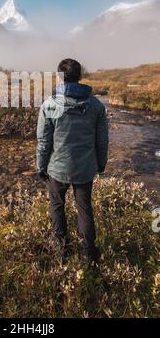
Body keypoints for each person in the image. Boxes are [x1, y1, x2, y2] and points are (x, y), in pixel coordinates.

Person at [36, 58, 108, 263]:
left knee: (57, 205)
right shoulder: (95, 105)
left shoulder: (48, 105)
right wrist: (101, 163)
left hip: (57, 169)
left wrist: (41, 166)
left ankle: (61, 247)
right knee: (84, 207)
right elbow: (102, 140)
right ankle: (88, 252)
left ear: (60, 78)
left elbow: (43, 142)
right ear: (80, 77)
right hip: (85, 168)